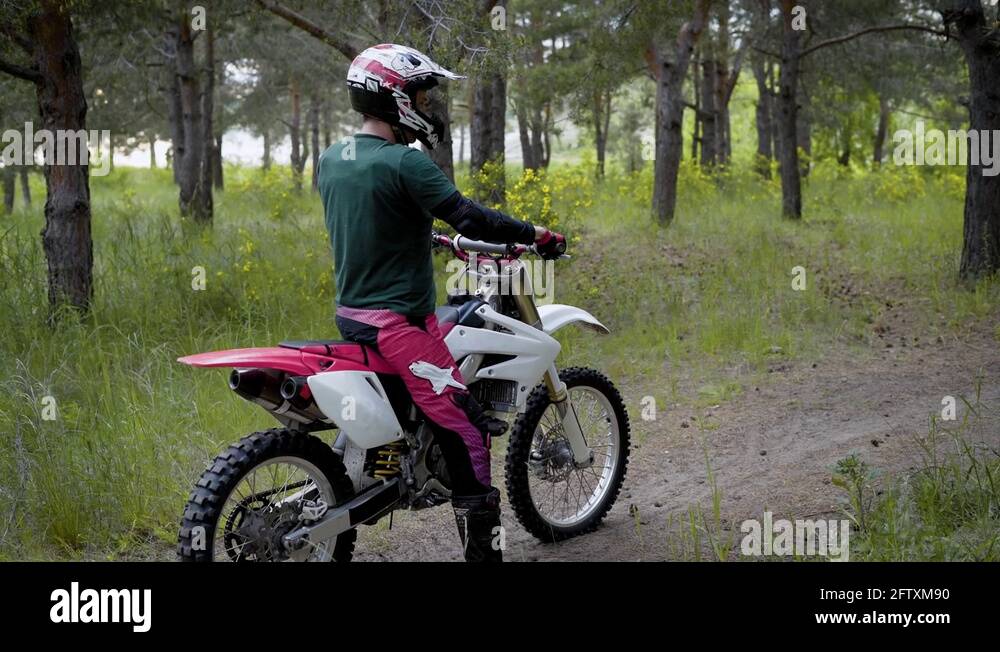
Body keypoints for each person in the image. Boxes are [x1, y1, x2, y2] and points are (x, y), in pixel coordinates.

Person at [317, 44, 565, 562]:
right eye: (421, 95)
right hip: (399, 326)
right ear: (395, 97)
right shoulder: (405, 162)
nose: (427, 107)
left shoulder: (333, 159)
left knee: (429, 407)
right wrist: (535, 234)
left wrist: (424, 236)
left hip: (351, 317)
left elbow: (372, 221)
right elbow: (470, 217)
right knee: (469, 427)